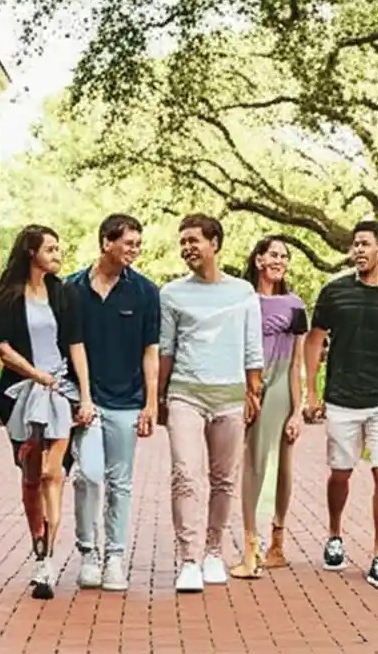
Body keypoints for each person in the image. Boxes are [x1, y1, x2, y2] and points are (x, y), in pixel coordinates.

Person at [304, 220, 378, 590]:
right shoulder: (334, 293)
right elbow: (313, 341)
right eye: (354, 245)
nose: (357, 250)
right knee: (341, 473)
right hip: (342, 398)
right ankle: (335, 535)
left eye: (364, 244)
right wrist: (311, 391)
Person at [158, 213, 264, 593]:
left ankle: (214, 551)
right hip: (186, 392)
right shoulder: (170, 294)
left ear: (214, 243)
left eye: (194, 240)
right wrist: (159, 396)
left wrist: (254, 392)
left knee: (224, 479)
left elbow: (253, 348)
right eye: (183, 241)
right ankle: (189, 558)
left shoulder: (243, 293)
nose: (187, 247)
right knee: (185, 473)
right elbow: (166, 350)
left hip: (230, 396)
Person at [0, 224, 96, 600]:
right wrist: (37, 375)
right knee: (31, 477)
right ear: (31, 253)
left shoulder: (64, 293)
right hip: (20, 394)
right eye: (50, 248)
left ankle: (48, 560)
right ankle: (38, 546)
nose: (57, 254)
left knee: (54, 473)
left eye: (58, 248)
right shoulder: (8, 294)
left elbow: (76, 344)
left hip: (60, 393)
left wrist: (84, 395)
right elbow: (0, 347)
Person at [65, 214, 161, 592]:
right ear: (106, 241)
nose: (134, 250)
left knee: (120, 482)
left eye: (138, 244)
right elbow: (69, 345)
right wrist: (78, 397)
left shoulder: (145, 292)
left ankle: (115, 557)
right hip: (85, 402)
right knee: (87, 476)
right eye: (128, 243)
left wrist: (151, 404)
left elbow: (150, 351)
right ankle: (88, 552)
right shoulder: (71, 289)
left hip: (127, 402)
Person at [230, 236, 308, 578]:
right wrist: (247, 390)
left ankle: (273, 541)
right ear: (258, 259)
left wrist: (297, 408)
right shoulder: (240, 299)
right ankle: (252, 543)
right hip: (244, 385)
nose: (279, 260)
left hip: (279, 387)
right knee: (253, 462)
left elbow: (296, 363)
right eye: (273, 254)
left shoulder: (295, 305)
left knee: (278, 461)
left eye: (284, 256)